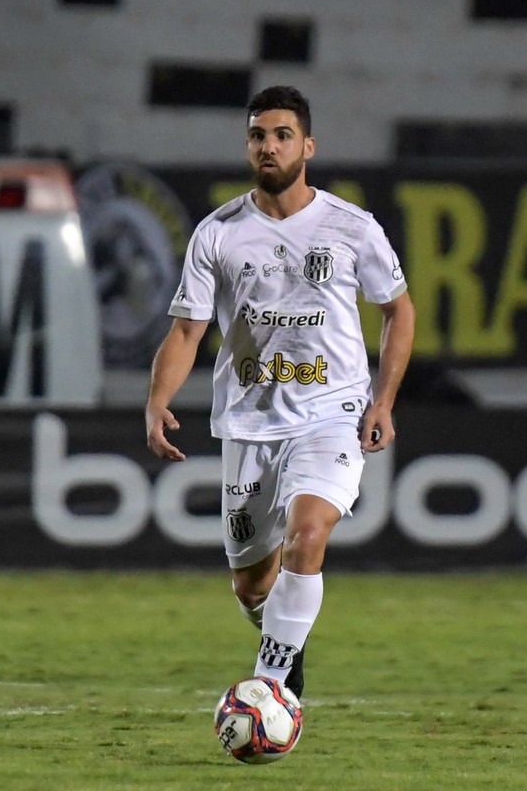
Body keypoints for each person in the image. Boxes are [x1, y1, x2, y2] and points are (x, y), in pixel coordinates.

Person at [144, 86, 416, 700]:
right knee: (253, 588)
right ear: (247, 147)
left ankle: (268, 690)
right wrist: (157, 401)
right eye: (258, 136)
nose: (269, 146)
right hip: (250, 421)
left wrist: (383, 400)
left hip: (332, 412)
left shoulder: (351, 227)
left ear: (308, 146)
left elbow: (399, 311)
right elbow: (188, 329)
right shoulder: (217, 233)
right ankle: (287, 647)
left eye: (282, 135)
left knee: (309, 534)